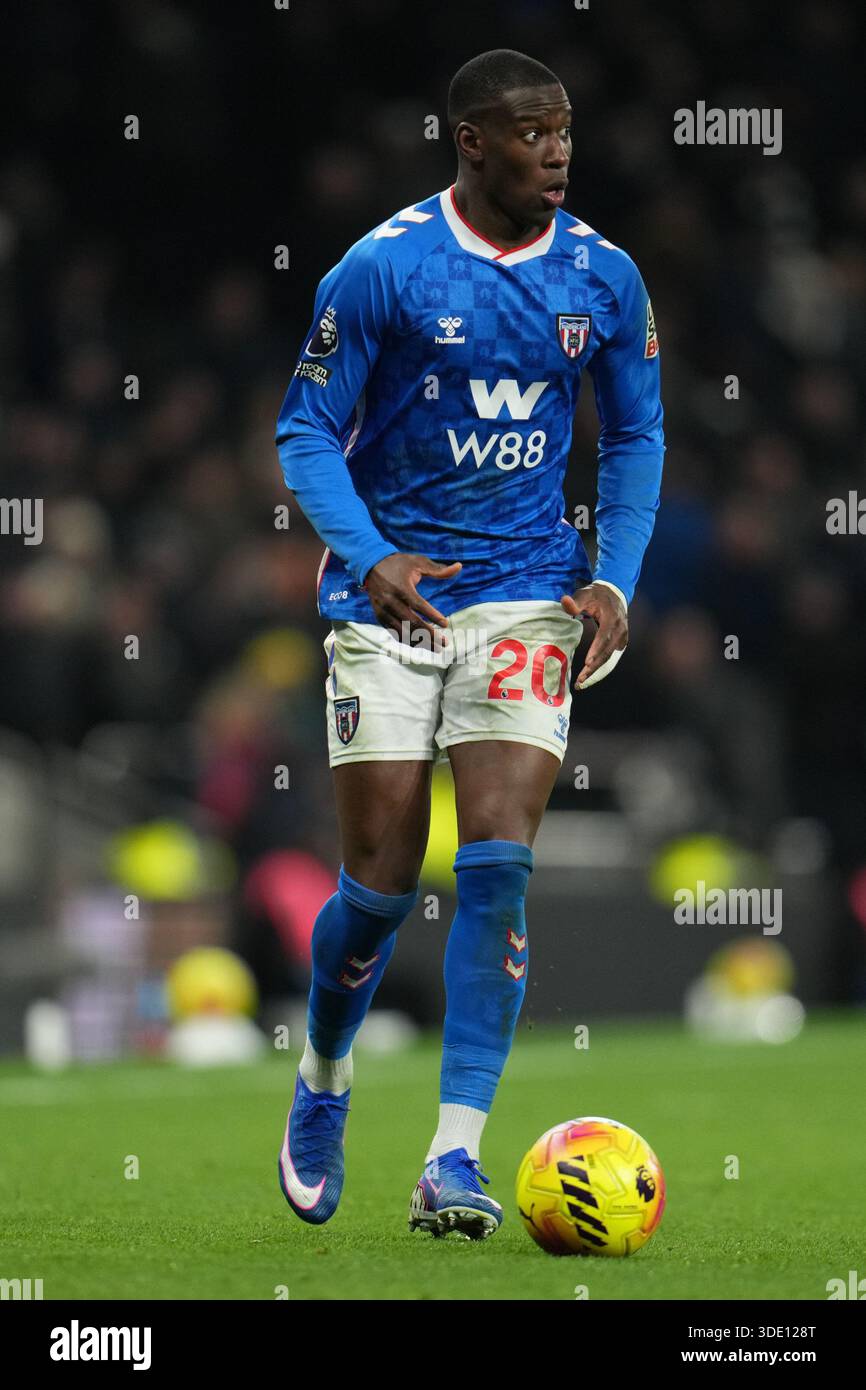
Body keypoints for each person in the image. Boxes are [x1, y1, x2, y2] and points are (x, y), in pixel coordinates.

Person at [274, 47, 664, 1240]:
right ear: (470, 141)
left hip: (524, 594)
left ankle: (453, 1156)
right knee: (382, 888)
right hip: (392, 602)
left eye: (563, 130)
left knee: (497, 860)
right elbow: (303, 431)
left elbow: (637, 435)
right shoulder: (382, 267)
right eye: (531, 132)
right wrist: (370, 553)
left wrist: (610, 580)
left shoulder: (601, 276)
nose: (556, 150)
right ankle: (325, 1076)